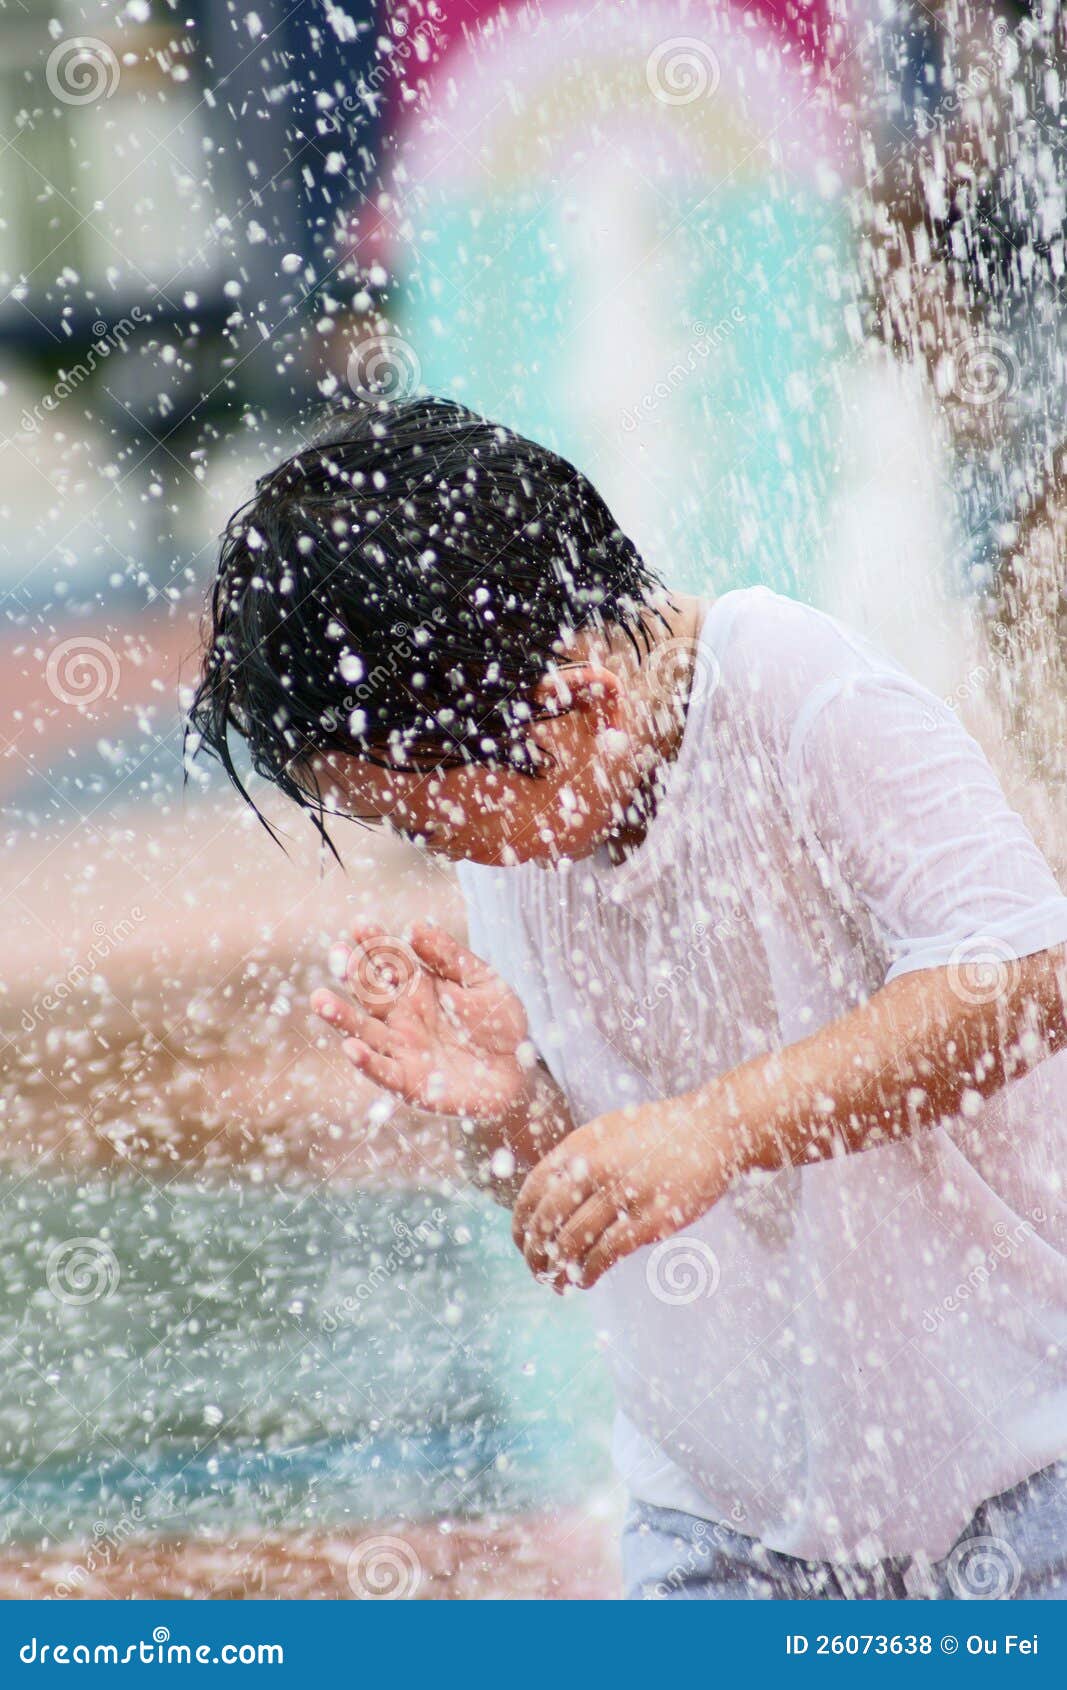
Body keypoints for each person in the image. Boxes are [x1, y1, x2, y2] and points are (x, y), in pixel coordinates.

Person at [188, 397, 1067, 1599]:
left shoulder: (800, 693)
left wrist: (717, 1127)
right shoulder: (525, 807)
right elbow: (598, 1210)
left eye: (426, 818)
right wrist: (512, 1105)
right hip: (719, 1520)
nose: (438, 850)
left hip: (1019, 1471)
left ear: (576, 702)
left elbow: (1022, 977)